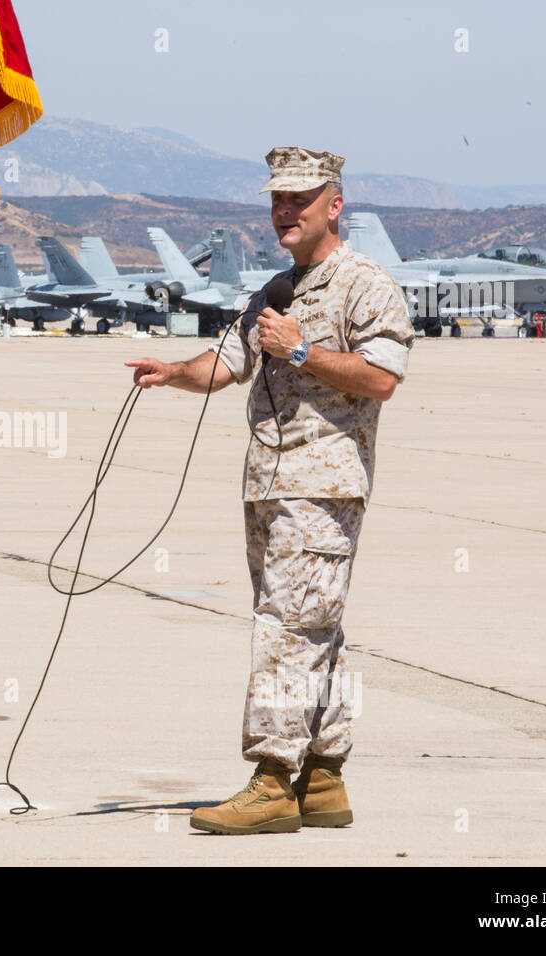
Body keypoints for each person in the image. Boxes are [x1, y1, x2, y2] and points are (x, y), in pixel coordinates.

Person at [125, 146, 414, 835]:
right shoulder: (276, 291)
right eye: (277, 201)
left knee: (286, 630)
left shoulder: (364, 284)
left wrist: (298, 349)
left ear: (333, 205)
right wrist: (171, 372)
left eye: (300, 201)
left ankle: (272, 778)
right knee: (317, 630)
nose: (285, 212)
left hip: (323, 488)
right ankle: (323, 775)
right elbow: (227, 363)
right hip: (271, 487)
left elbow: (382, 379)